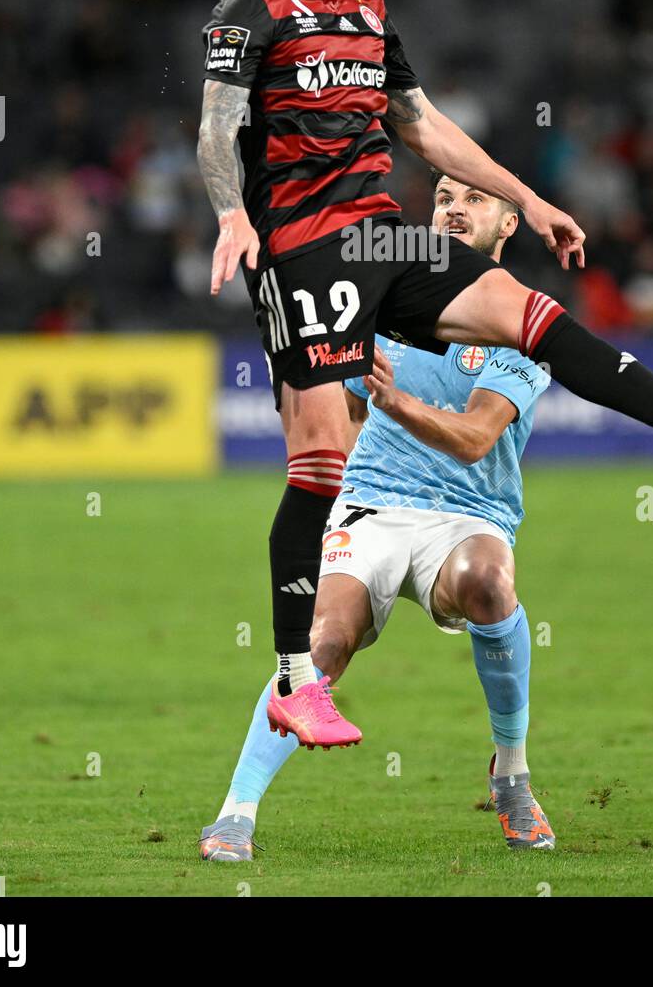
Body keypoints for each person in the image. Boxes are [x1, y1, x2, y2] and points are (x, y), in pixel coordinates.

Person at [195, 0, 653, 749]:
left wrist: (526, 196)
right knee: (320, 459)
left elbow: (422, 126)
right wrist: (234, 213)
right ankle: (293, 682)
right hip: (304, 250)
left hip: (382, 232)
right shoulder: (250, 8)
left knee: (530, 317)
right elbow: (217, 127)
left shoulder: (364, 6)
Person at [200, 174, 554, 862]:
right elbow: (350, 408)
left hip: (469, 513)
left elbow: (477, 436)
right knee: (322, 640)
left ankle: (511, 776)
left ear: (508, 225)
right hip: (374, 506)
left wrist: (396, 405)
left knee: (489, 582)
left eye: (474, 200)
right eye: (445, 196)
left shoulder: (523, 322)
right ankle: (234, 813)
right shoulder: (387, 299)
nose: (453, 208)